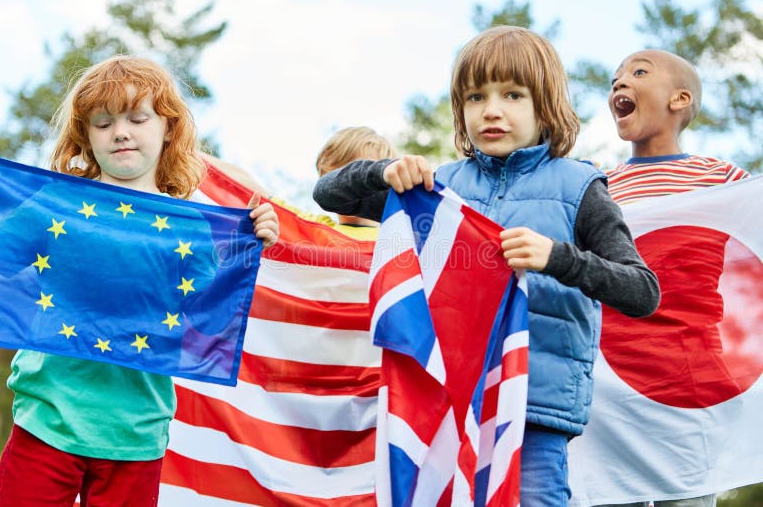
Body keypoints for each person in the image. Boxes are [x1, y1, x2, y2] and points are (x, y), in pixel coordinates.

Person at [313, 25, 661, 505]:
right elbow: (328, 192)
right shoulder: (440, 191)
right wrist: (383, 171)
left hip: (535, 411)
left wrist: (556, 258)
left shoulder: (580, 187)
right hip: (446, 407)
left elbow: (643, 291)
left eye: (512, 94)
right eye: (476, 97)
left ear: (546, 106)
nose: (491, 110)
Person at [0, 55, 279, 506]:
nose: (121, 132)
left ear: (168, 127)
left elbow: (209, 321)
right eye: (103, 122)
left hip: (137, 430)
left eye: (138, 117)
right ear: (85, 136)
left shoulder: (188, 228)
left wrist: (249, 252)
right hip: (46, 416)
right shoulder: (55, 203)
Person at [592, 49, 750, 507]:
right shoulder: (599, 186)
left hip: (690, 377)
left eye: (638, 73)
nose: (620, 84)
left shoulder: (721, 178)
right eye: (616, 78)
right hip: (611, 383)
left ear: (679, 99)